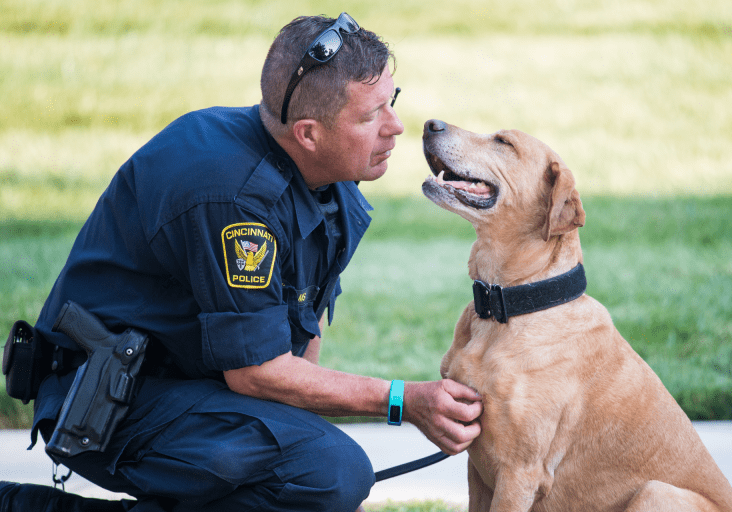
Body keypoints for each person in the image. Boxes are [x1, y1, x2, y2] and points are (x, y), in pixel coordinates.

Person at [0, 12, 483, 512]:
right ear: (308, 133)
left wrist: (302, 433)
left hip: (185, 385)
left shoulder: (329, 181)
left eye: (392, 102)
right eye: (369, 116)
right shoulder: (233, 197)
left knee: (316, 466)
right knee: (330, 471)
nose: (395, 127)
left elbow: (300, 330)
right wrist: (404, 400)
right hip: (105, 400)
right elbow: (256, 373)